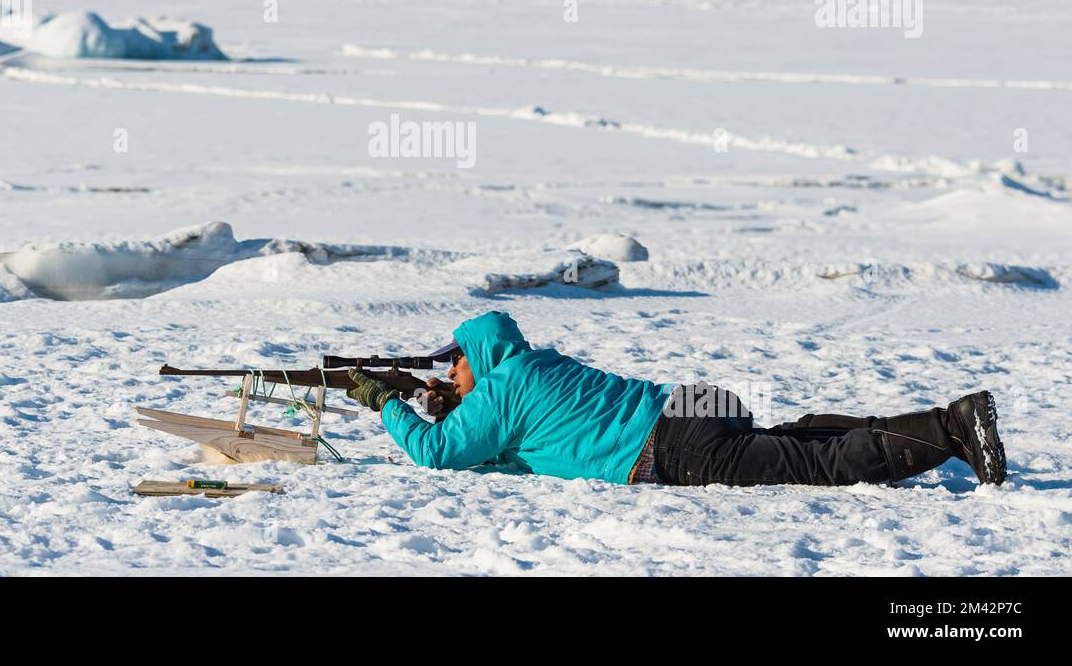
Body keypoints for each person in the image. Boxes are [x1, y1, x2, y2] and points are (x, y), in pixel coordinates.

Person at [345, 310, 1007, 487]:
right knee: (801, 438)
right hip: (693, 405)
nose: (450, 373)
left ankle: (952, 429)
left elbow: (437, 454)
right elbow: (505, 443)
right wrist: (455, 404)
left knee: (819, 466)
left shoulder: (500, 392)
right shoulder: (531, 367)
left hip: (675, 446)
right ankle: (942, 423)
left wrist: (385, 403)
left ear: (475, 357)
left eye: (453, 362)